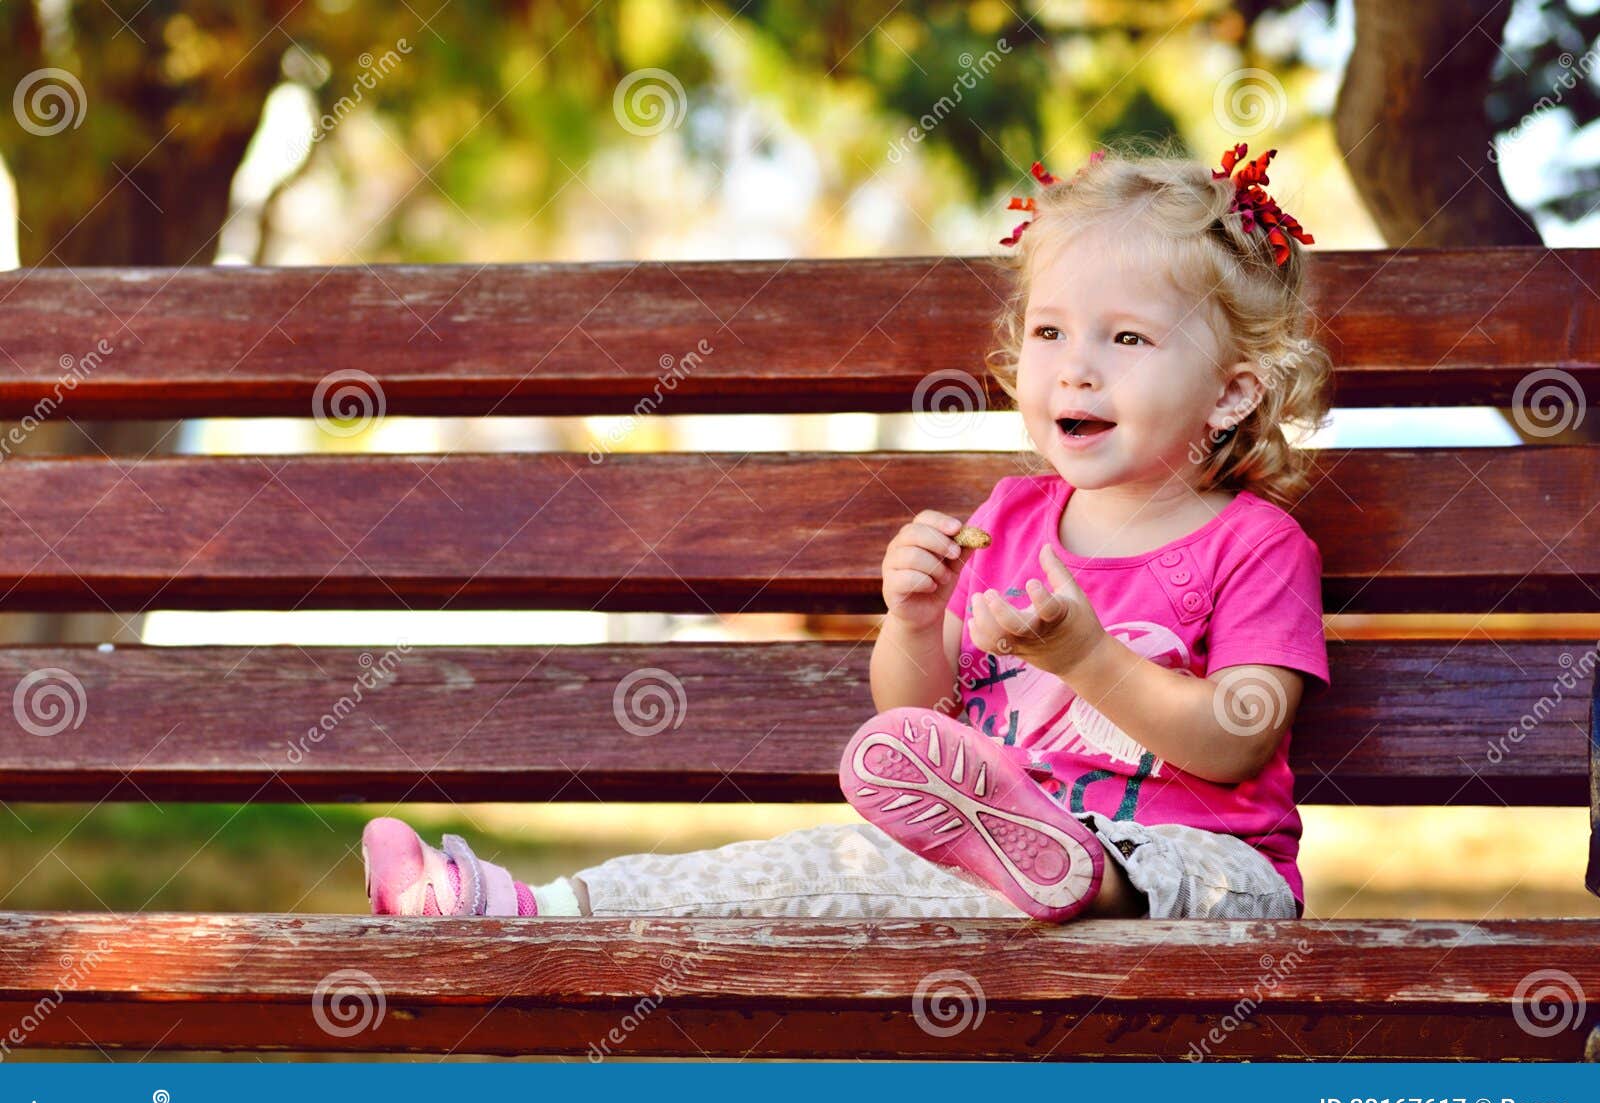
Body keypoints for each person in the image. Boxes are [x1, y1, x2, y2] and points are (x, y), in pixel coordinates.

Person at [360, 141, 1333, 923]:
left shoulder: (1253, 545)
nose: (1075, 368)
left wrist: (1087, 656)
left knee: (1111, 870)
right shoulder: (1012, 520)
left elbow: (1235, 740)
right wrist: (912, 623)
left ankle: (1071, 870)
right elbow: (912, 715)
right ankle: (512, 904)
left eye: (1125, 338)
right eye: (1049, 332)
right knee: (807, 871)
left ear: (1232, 389)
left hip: (1205, 870)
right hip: (986, 874)